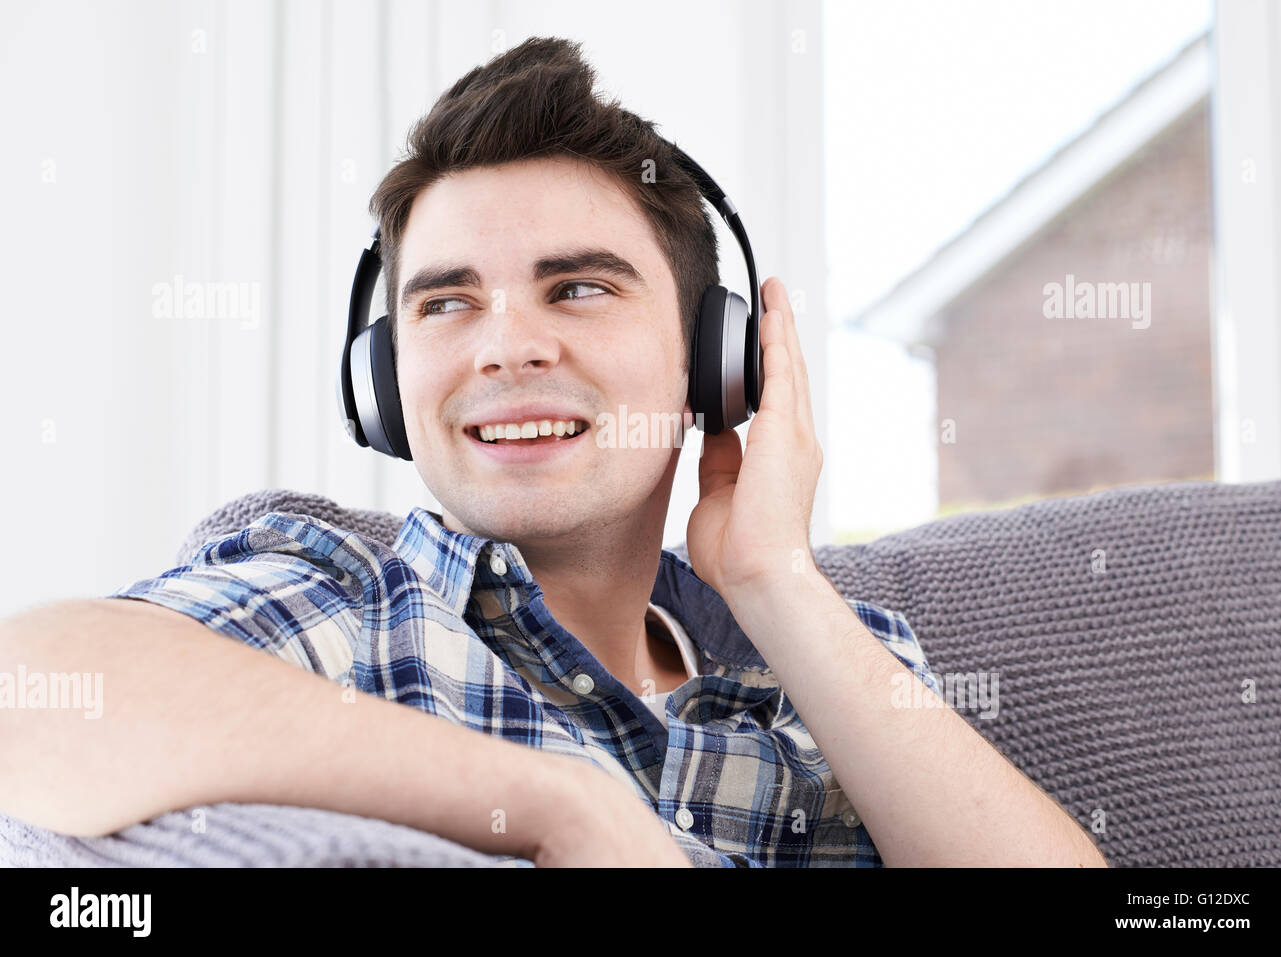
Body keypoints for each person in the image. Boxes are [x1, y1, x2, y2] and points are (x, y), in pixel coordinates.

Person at [0, 35, 1106, 868]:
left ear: (718, 364)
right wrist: (556, 804)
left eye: (577, 287)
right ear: (385, 385)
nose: (506, 345)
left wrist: (773, 578)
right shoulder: (355, 604)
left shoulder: (826, 674)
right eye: (445, 304)